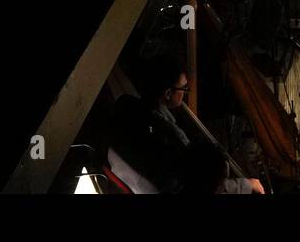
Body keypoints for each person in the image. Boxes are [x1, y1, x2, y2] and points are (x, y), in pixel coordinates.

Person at [109, 55, 264, 194]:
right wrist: (244, 186)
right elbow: (199, 182)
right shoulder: (170, 141)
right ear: (168, 93)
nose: (186, 91)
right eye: (183, 88)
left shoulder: (128, 106)